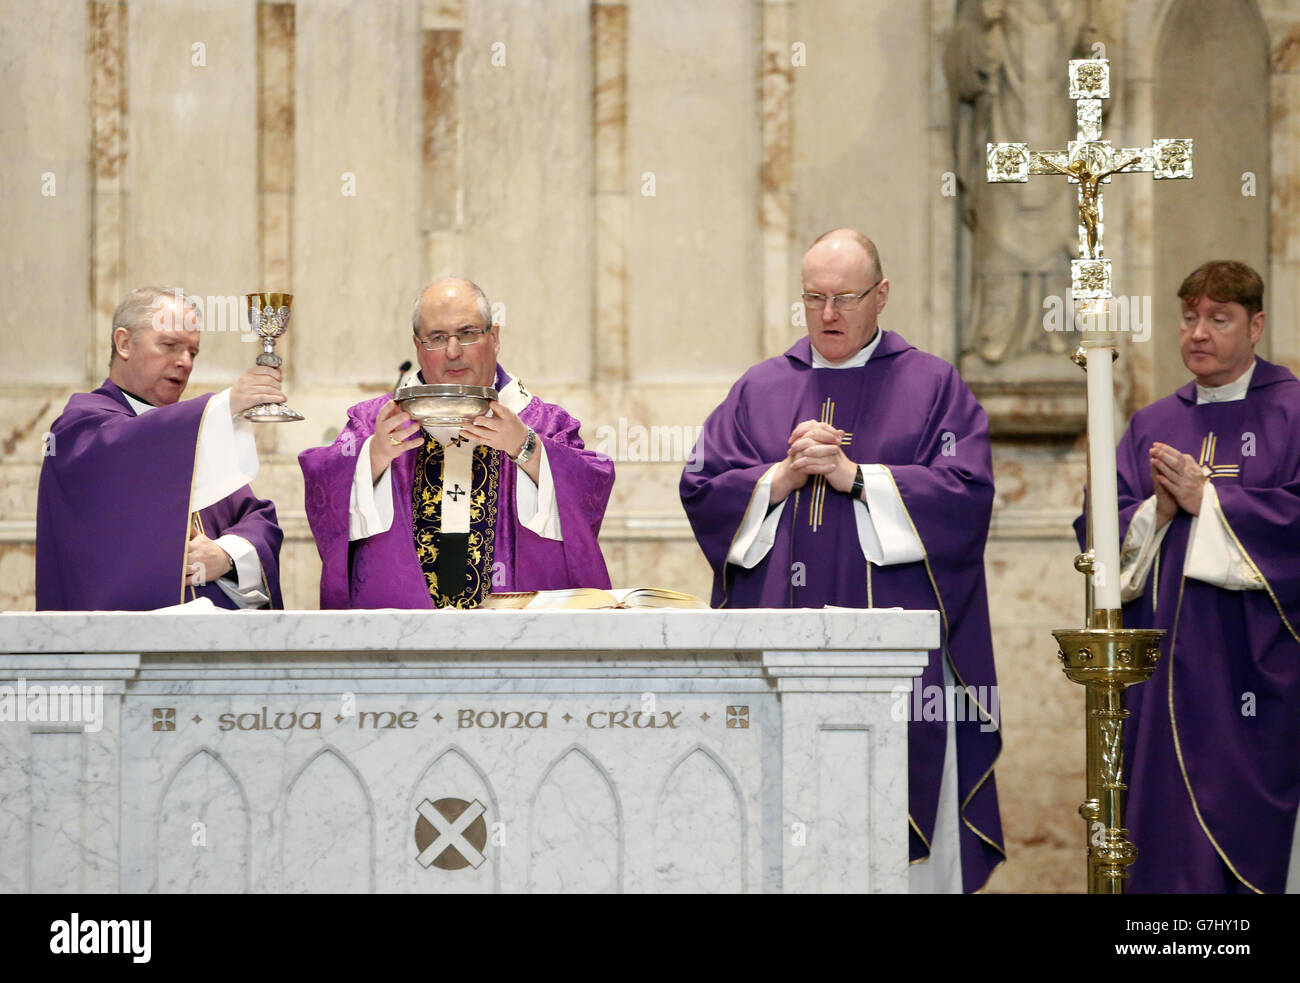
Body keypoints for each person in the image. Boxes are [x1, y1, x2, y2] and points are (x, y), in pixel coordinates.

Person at [680, 229, 1004, 893]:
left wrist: (859, 478)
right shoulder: (762, 388)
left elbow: (967, 498)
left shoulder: (932, 385)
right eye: (814, 298)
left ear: (881, 296)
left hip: (902, 676)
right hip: (779, 664)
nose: (828, 315)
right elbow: (702, 486)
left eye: (845, 298)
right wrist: (778, 480)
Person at [1089, 260, 1300, 893]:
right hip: (1164, 667)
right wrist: (1158, 507)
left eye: (1218, 319)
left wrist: (1212, 500)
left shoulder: (1291, 413)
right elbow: (1097, 530)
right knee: (1163, 820)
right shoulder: (1153, 424)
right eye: (1189, 318)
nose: (1199, 334)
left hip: (1254, 665)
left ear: (1256, 325)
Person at [300, 277, 613, 609]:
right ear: (417, 346)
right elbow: (322, 486)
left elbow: (590, 488)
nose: (453, 351)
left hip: (517, 642)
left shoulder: (542, 424)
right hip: (399, 639)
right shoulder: (375, 423)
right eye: (436, 338)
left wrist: (527, 449)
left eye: (467, 334)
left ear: (494, 338)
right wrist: (373, 457)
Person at [36, 286, 285, 610]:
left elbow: (258, 517)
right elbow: (124, 455)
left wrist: (227, 554)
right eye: (169, 345)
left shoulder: (197, 439)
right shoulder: (80, 428)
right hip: (127, 652)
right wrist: (224, 405)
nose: (184, 362)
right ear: (124, 343)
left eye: (193, 352)